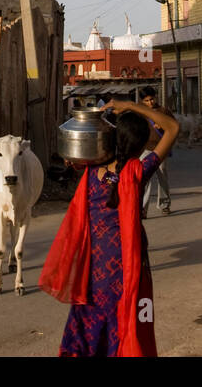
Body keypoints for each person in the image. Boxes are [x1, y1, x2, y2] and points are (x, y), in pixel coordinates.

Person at [41, 97, 179, 356]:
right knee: (136, 321)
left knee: (92, 331)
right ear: (140, 145)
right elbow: (172, 128)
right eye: (148, 134)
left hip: (93, 273)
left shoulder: (93, 173)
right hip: (129, 271)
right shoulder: (138, 172)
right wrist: (132, 105)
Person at [138, 86, 172, 217]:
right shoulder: (141, 113)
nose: (150, 103)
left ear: (155, 97)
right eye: (146, 100)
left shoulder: (164, 111)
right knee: (144, 179)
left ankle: (164, 205)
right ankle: (142, 209)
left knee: (162, 177)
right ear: (142, 101)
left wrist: (163, 125)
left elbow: (174, 126)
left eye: (151, 99)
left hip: (161, 149)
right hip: (145, 149)